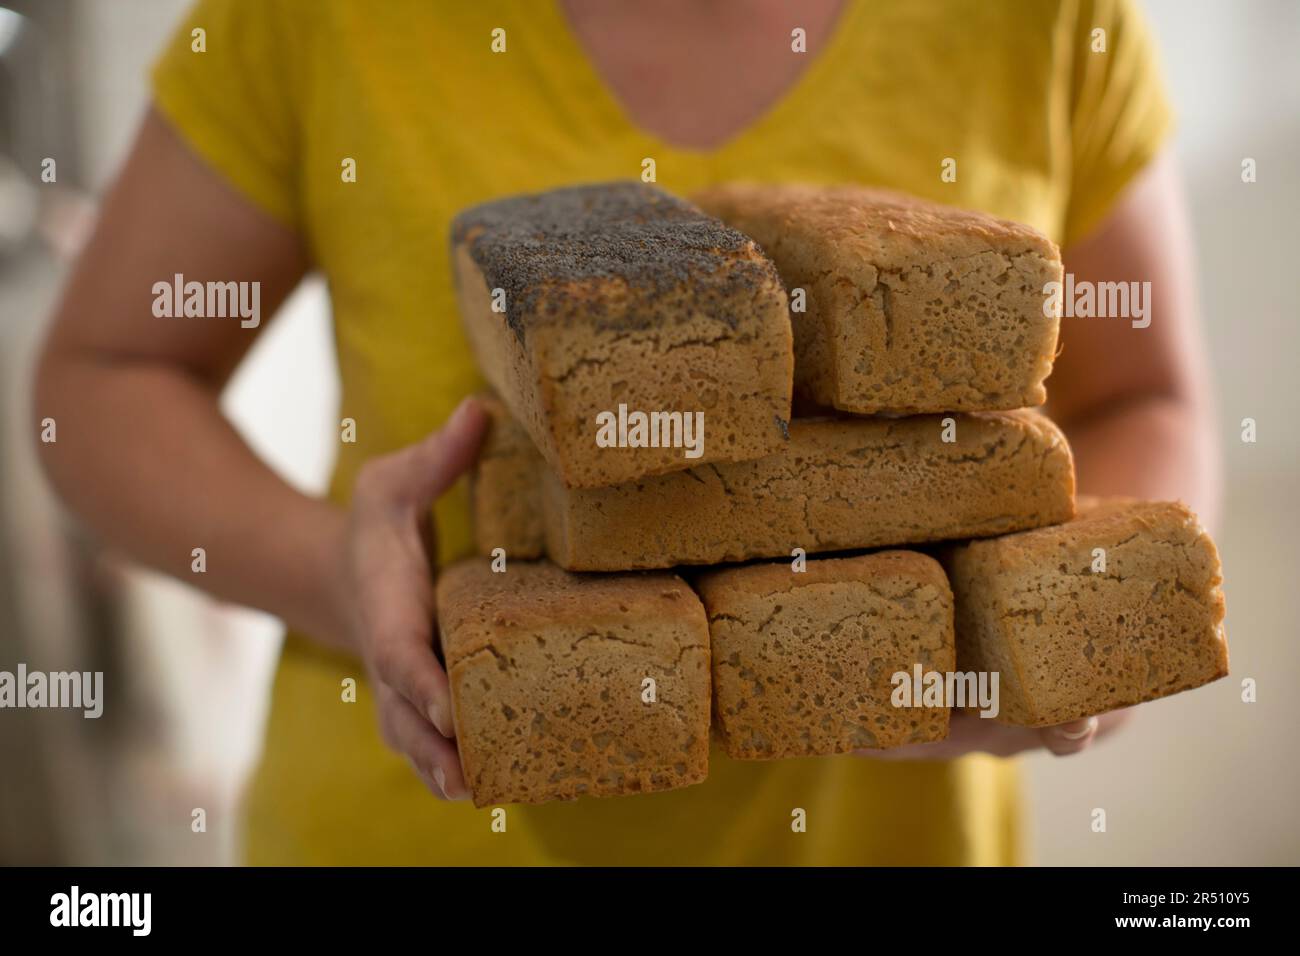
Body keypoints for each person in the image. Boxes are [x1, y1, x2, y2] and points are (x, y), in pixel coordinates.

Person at [34, 0, 1216, 865]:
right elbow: (97, 381)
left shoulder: (1048, 19)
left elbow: (1139, 397)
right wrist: (340, 578)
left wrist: (1074, 627)